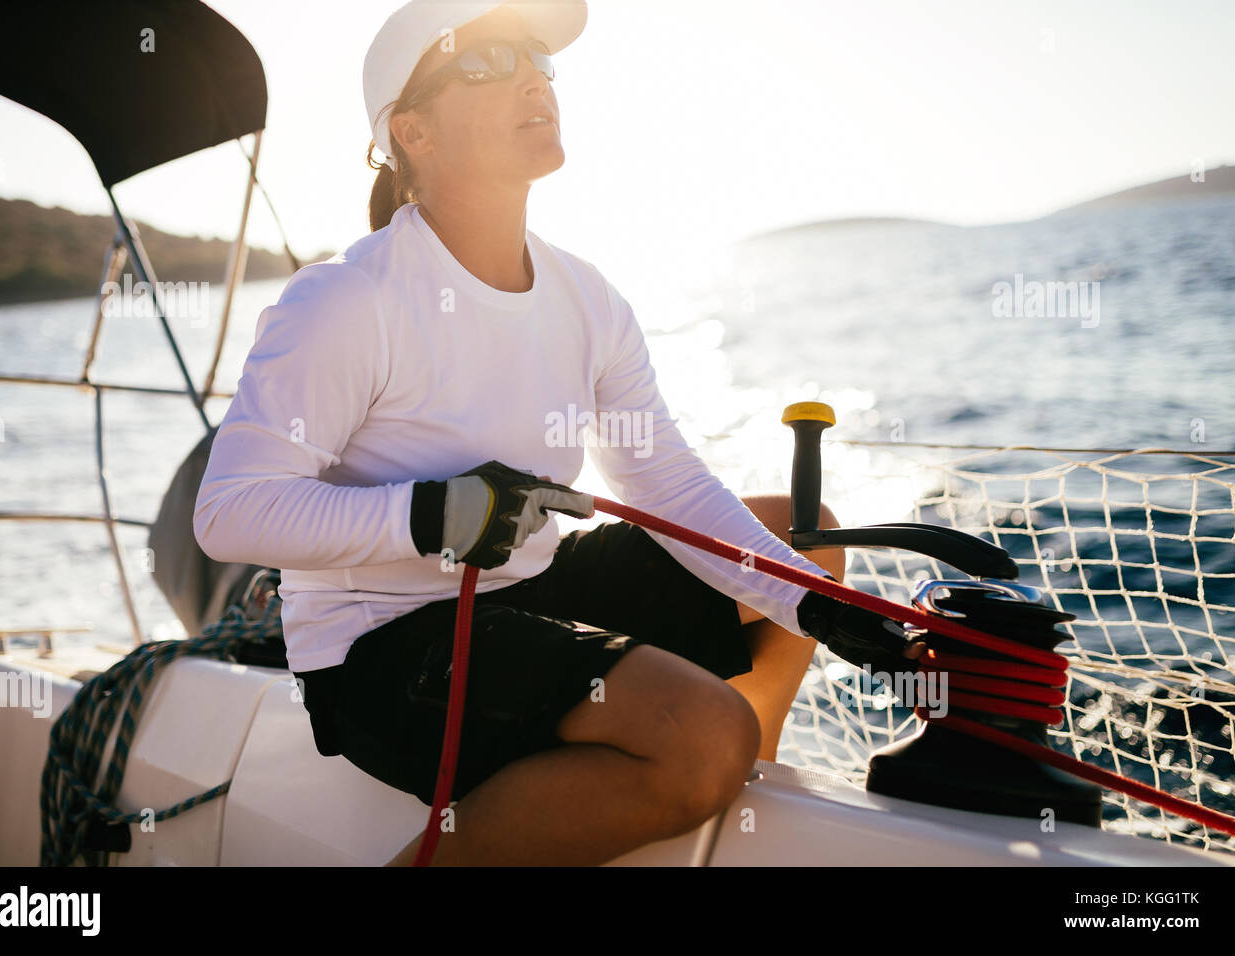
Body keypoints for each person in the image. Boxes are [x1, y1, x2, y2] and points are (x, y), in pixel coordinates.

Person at [193, 0, 923, 867]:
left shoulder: (587, 297)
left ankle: (714, 824)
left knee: (808, 543)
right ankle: (685, 775)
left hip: (531, 588)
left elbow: (668, 488)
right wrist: (427, 516)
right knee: (701, 734)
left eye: (538, 57)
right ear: (411, 131)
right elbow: (229, 513)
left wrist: (811, 601)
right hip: (381, 651)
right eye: (488, 60)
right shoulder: (349, 300)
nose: (535, 76)